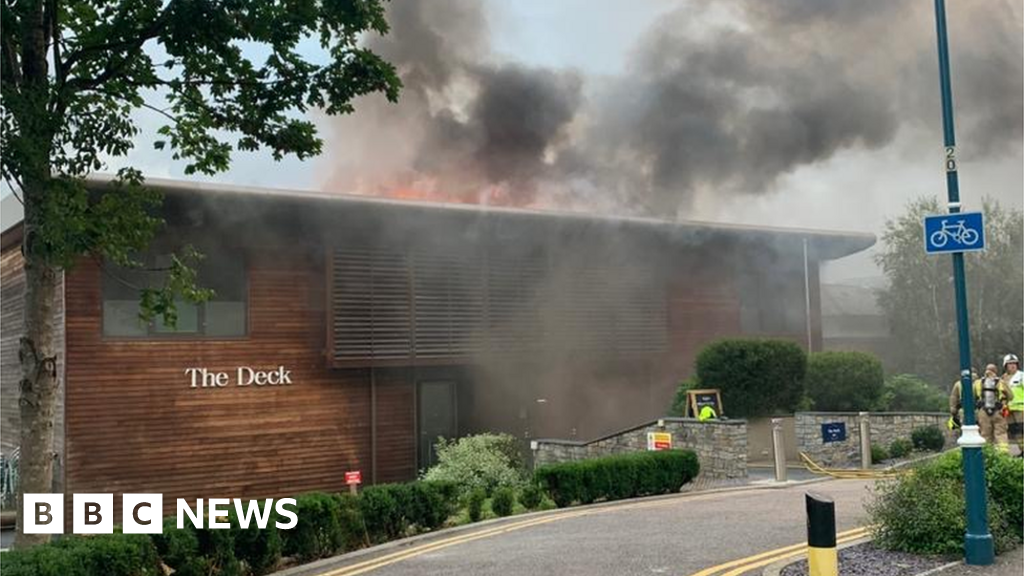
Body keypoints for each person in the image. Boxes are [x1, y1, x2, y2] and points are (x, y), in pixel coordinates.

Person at [973, 364, 1014, 452]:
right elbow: (1011, 396)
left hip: (983, 412)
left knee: (985, 435)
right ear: (995, 371)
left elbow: (973, 397)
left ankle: (987, 456)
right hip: (998, 411)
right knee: (1001, 434)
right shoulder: (1001, 382)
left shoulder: (978, 383)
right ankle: (1004, 455)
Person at [1002, 354, 1023, 455]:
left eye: (1014, 363)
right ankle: (1022, 450)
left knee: (1022, 429)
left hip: (1021, 408)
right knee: (1014, 431)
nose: (1013, 365)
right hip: (1008, 409)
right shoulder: (1003, 378)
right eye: (1010, 364)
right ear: (1005, 366)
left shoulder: (1021, 376)